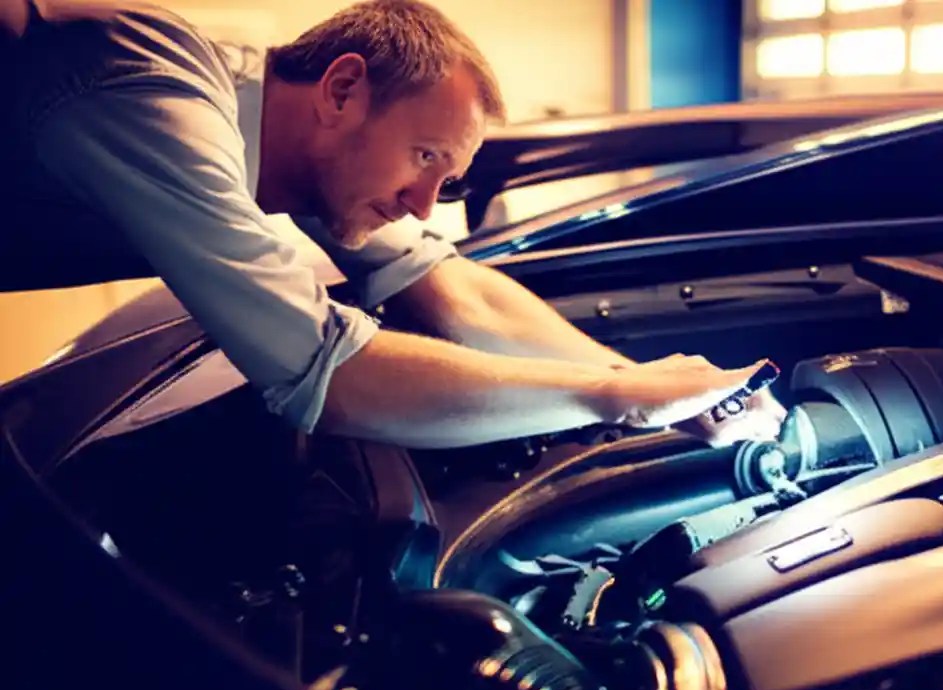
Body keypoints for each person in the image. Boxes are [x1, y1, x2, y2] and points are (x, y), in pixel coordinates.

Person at [0, 0, 785, 449]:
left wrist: (642, 384)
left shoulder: (292, 125)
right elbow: (330, 377)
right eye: (424, 157)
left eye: (446, 179)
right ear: (343, 91)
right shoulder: (153, 98)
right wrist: (608, 400)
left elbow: (452, 290)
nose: (422, 203)